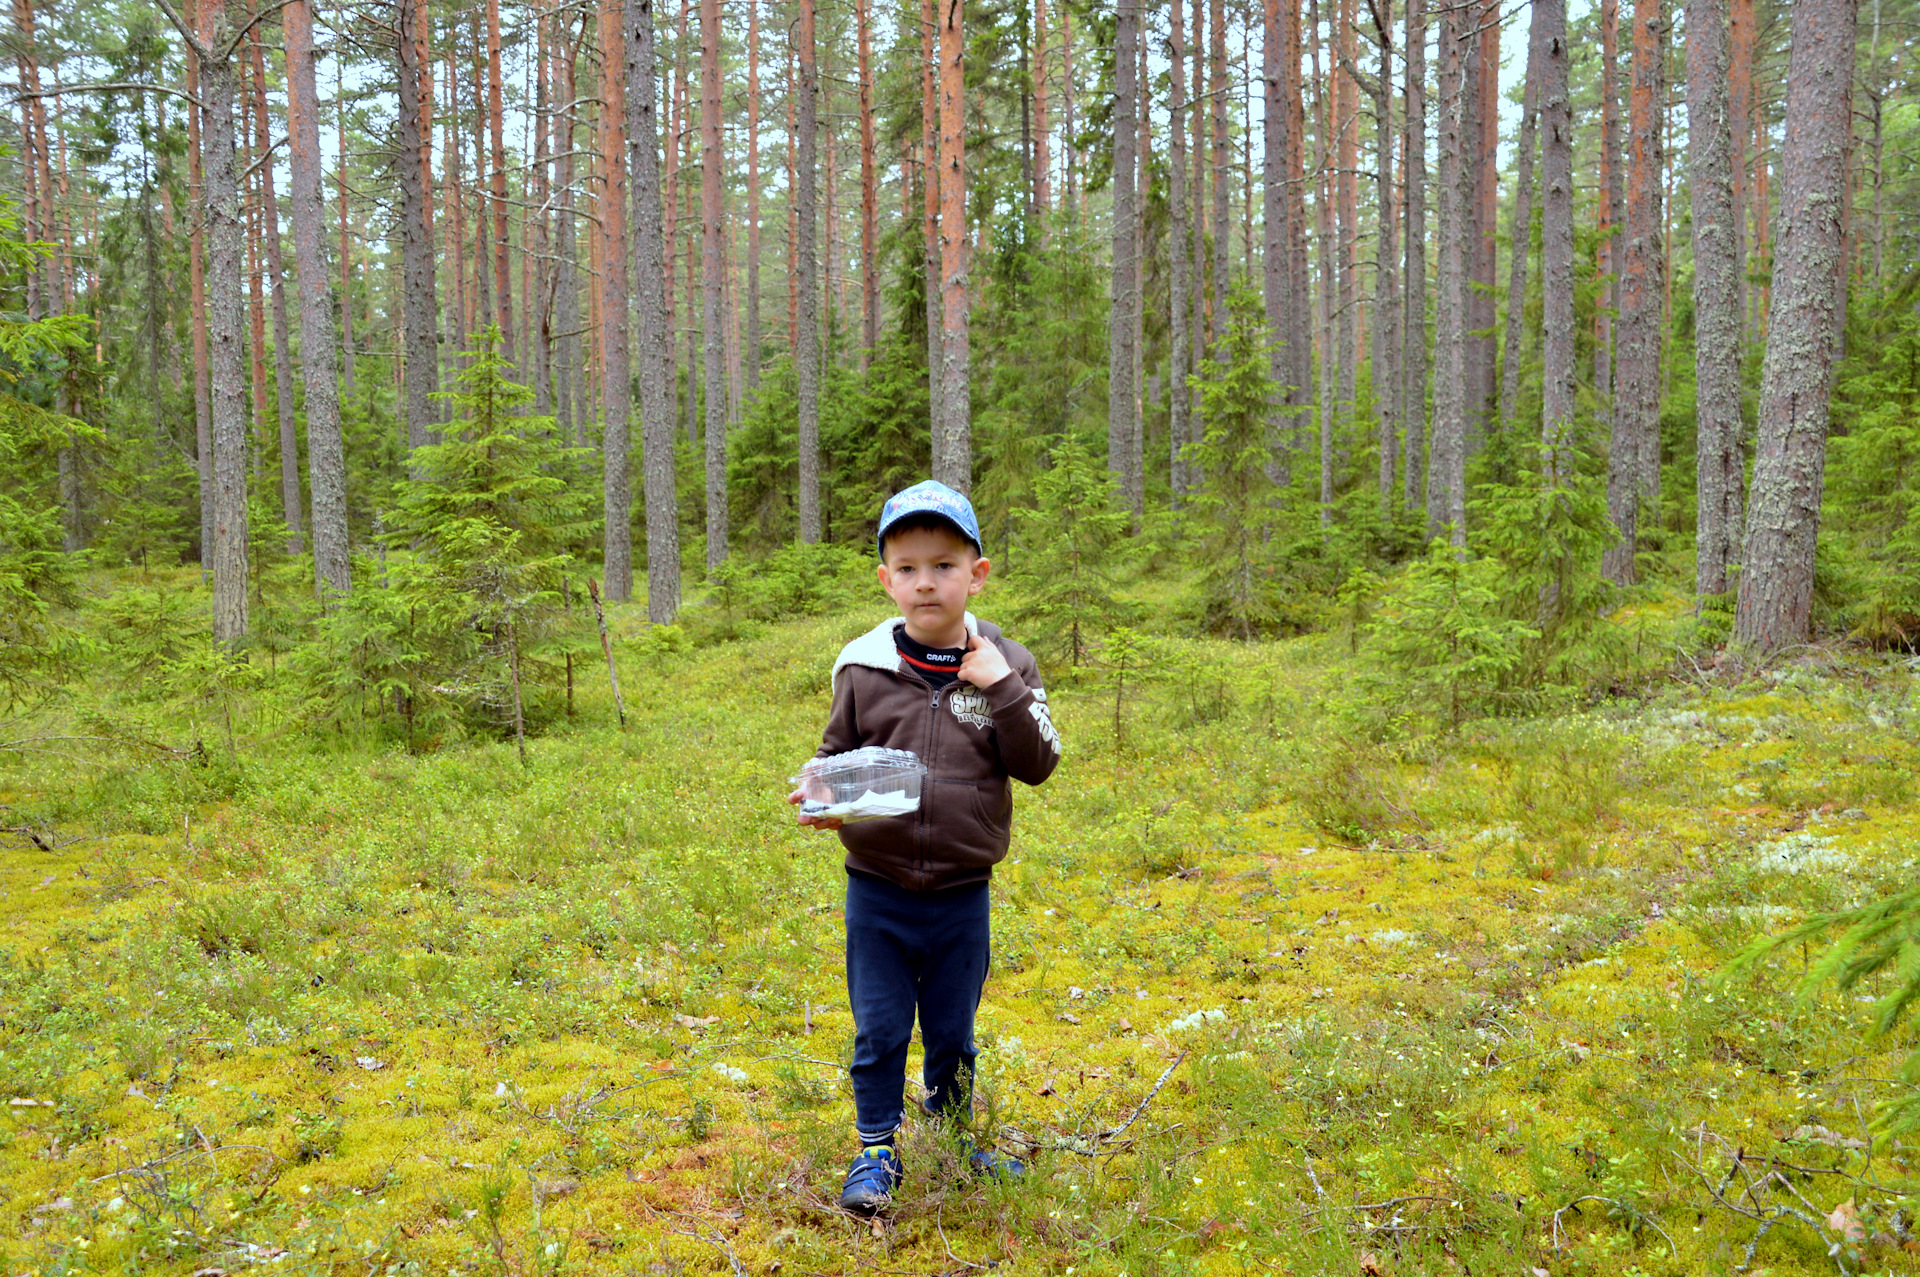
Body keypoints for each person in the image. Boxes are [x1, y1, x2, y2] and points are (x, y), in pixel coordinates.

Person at [787, 479, 1061, 1215]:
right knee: (879, 1026)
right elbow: (834, 754)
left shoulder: (1009, 661)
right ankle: (876, 1148)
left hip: (961, 893)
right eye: (907, 567)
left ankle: (951, 1137)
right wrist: (821, 797)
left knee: (952, 1030)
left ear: (977, 573)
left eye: (944, 564)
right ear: (886, 580)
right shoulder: (863, 665)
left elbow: (1038, 762)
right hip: (875, 887)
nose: (925, 581)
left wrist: (1001, 686)